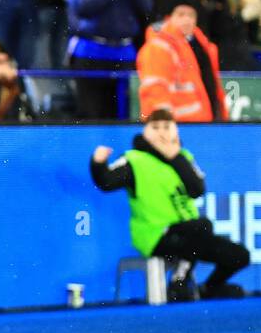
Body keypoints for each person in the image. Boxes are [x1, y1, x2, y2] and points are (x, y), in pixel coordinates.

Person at [90, 110, 249, 301]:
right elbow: (106, 182)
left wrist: (175, 158)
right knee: (202, 226)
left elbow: (197, 189)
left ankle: (208, 288)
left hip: (190, 234)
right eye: (155, 127)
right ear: (145, 132)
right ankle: (178, 281)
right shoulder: (135, 160)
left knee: (239, 255)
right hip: (157, 235)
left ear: (176, 130)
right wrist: (98, 163)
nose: (162, 133)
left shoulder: (184, 157)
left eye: (167, 127)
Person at [63, 0, 154, 120]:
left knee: (124, 116)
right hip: (90, 50)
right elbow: (80, 6)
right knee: (92, 116)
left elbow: (147, 8)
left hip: (124, 52)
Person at [136, 0, 227, 123]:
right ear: (169, 17)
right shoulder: (159, 47)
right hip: (177, 127)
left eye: (191, 15)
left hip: (204, 124)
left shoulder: (203, 46)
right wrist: (163, 126)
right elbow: (155, 91)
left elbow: (213, 88)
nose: (187, 20)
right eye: (181, 14)